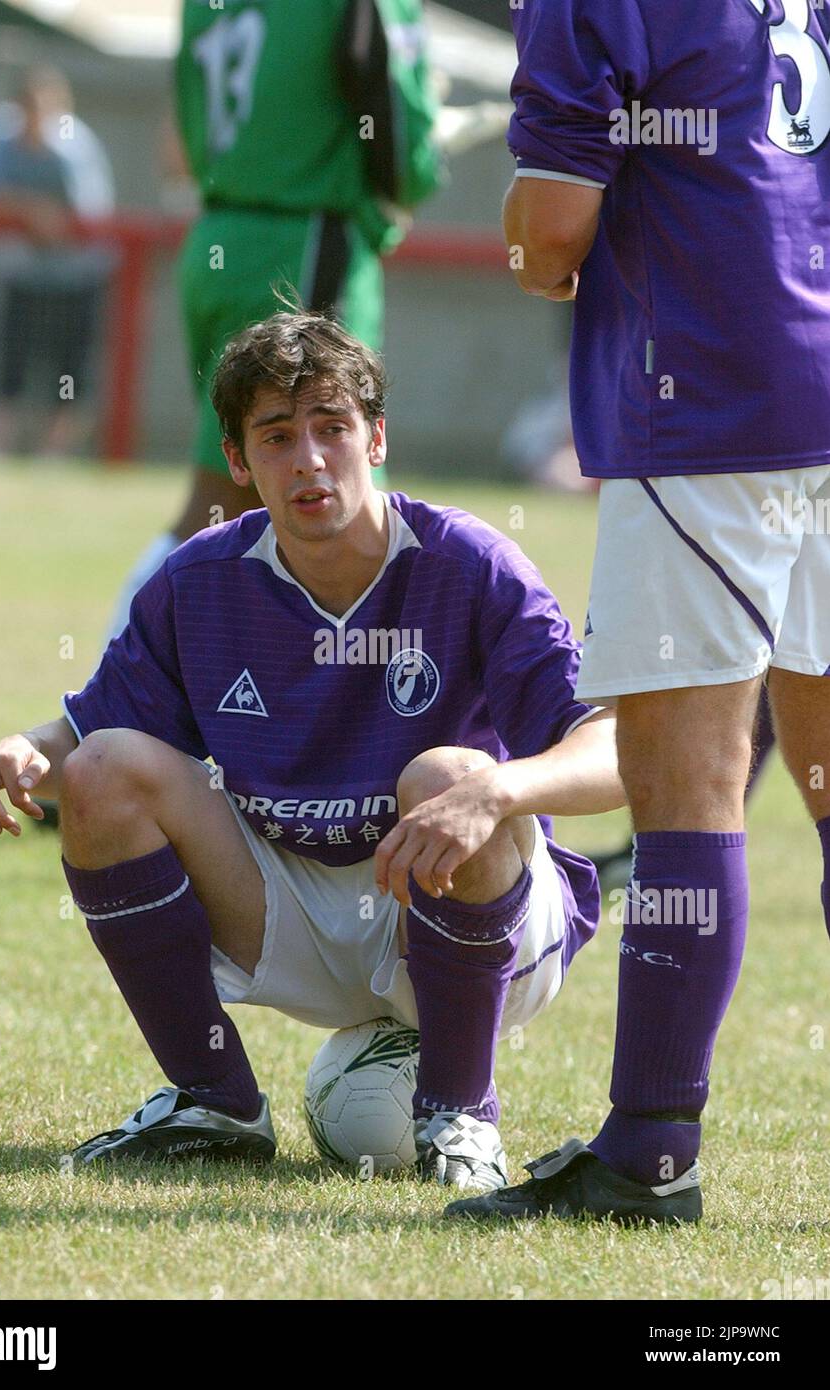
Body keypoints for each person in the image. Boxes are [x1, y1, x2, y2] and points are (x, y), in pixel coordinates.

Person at [0, 307, 625, 1194]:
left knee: (449, 775)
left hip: (467, 901)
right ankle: (213, 1102)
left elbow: (613, 747)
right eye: (276, 437)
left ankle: (460, 1115)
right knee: (104, 770)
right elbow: (84, 732)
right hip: (294, 910)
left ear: (375, 437)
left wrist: (498, 792)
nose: (308, 459)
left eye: (331, 428)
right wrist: (21, 749)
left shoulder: (469, 562)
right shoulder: (200, 579)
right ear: (238, 462)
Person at [446, 0, 830, 1224]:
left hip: (707, 403)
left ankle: (649, 1148)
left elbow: (550, 237)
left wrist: (520, 230)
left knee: (684, 794)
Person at [103, 0, 446, 639]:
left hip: (220, 238)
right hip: (304, 242)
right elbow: (404, 140)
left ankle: (145, 697)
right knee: (343, 491)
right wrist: (406, 171)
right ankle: (112, 696)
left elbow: (183, 137)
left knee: (230, 493)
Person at [0, 67, 115, 458]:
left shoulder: (75, 148)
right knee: (9, 362)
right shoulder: (2, 138)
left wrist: (40, 217)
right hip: (23, 275)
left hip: (76, 278)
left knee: (70, 373)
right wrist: (31, 210)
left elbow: (86, 218)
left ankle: (53, 454)